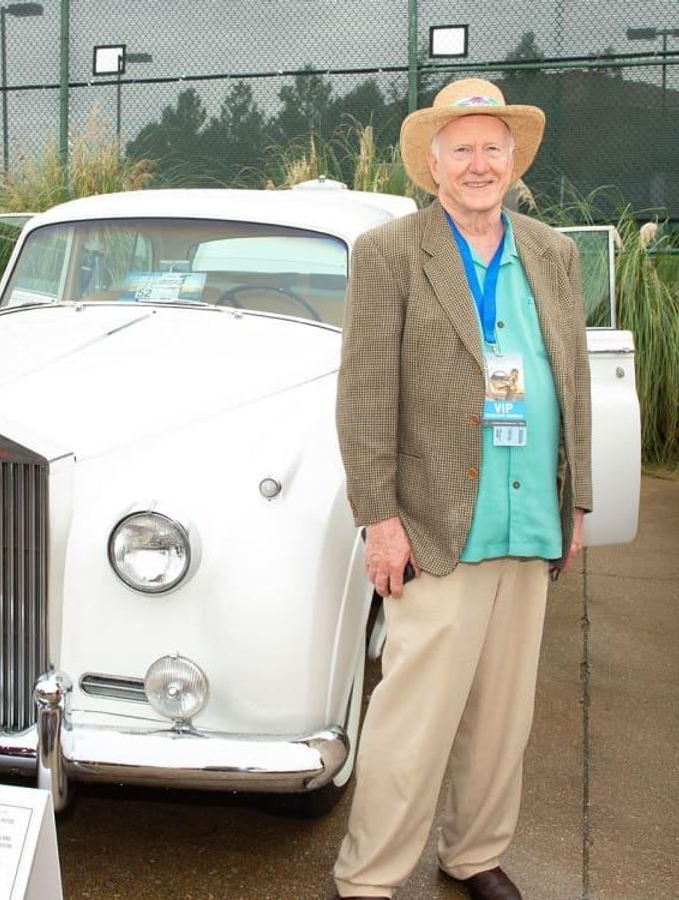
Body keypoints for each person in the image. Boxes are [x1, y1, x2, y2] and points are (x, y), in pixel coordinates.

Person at [333, 78, 592, 900]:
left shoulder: (552, 253)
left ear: (513, 160)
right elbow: (365, 395)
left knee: (505, 715)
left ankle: (474, 853)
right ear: (434, 164)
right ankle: (370, 876)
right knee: (413, 717)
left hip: (530, 517)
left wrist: (576, 502)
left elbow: (574, 381)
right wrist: (379, 519)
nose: (480, 164)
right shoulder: (390, 253)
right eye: (463, 150)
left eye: (492, 148)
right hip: (437, 521)